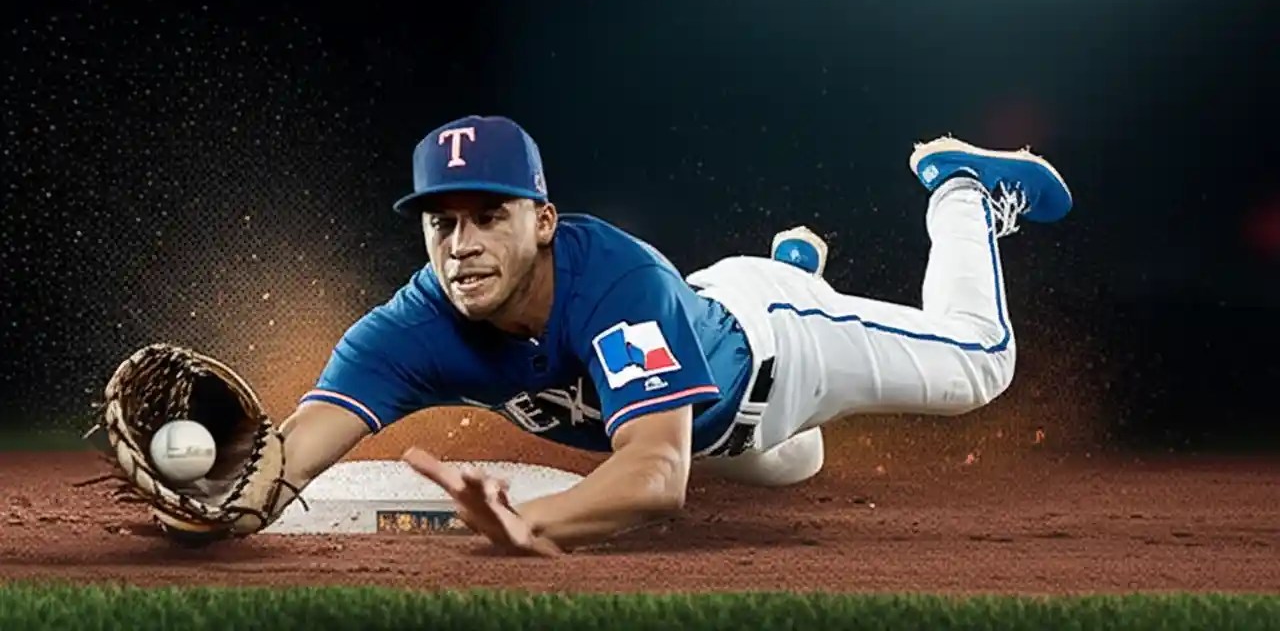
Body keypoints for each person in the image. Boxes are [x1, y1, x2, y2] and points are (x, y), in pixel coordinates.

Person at [274, 114, 1072, 555]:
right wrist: (212, 503)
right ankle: (793, 263)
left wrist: (529, 523)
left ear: (544, 221)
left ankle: (963, 191)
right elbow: (286, 459)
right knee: (795, 464)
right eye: (441, 223)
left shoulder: (615, 285)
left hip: (787, 352)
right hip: (724, 414)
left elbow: (656, 479)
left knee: (980, 363)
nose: (462, 244)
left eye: (489, 216)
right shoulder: (413, 327)